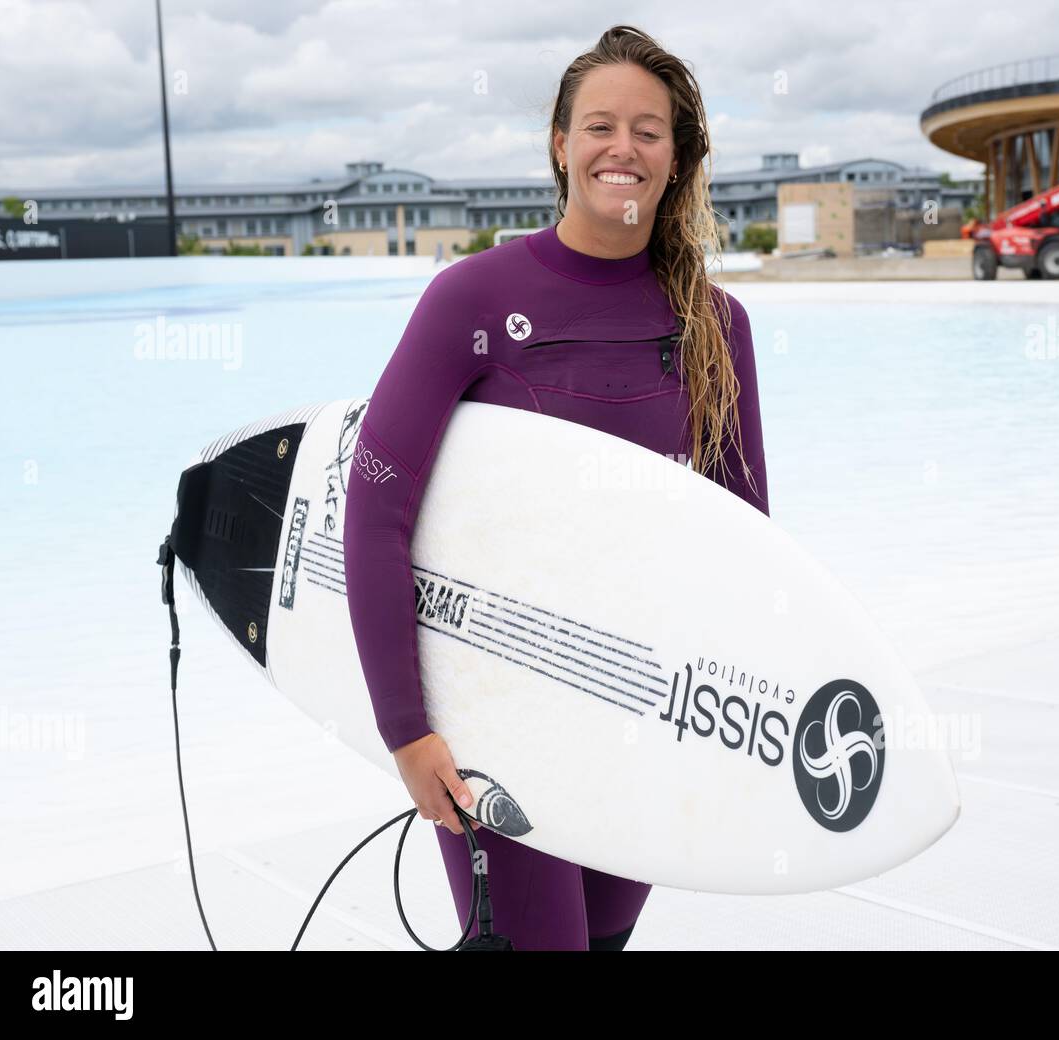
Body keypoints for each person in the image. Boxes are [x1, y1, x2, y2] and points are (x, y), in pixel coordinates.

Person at [342, 24, 769, 951]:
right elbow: (376, 508)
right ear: (561, 144)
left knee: (602, 941)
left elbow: (748, 546)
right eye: (600, 126)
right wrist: (406, 731)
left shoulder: (715, 326)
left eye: (648, 130)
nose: (623, 149)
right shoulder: (473, 300)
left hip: (645, 717)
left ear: (680, 154)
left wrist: (731, 734)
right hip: (499, 713)